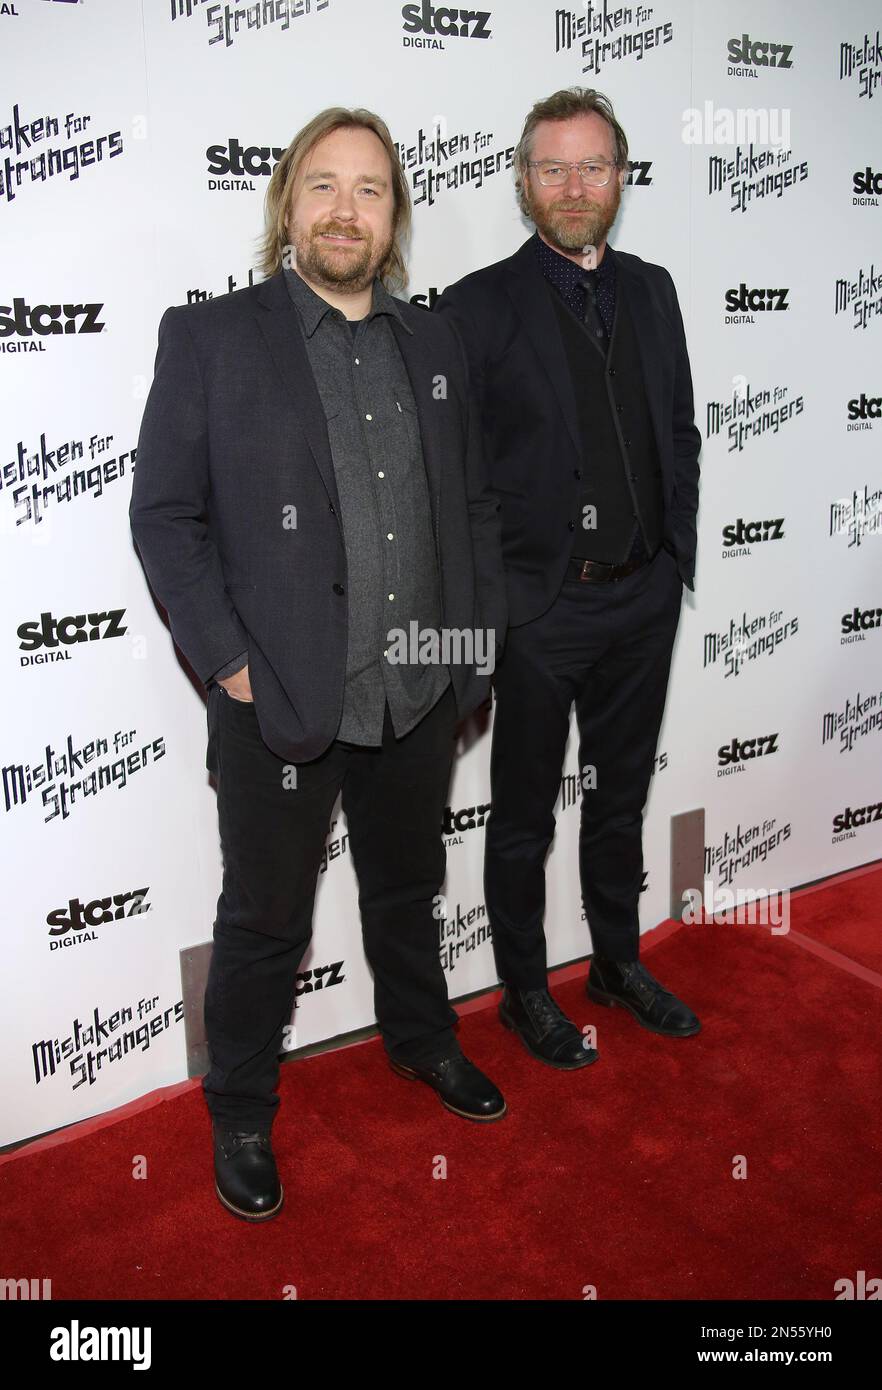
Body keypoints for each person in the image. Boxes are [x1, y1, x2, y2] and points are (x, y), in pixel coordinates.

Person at [129, 107, 508, 1223]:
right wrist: (232, 666)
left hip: (418, 687)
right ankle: (242, 1104)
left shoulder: (433, 343)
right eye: (325, 186)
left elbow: (473, 509)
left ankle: (421, 1040)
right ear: (287, 204)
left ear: (395, 216)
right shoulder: (212, 339)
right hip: (281, 698)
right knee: (265, 918)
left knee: (408, 887)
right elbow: (165, 516)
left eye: (372, 189)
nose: (347, 209)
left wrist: (469, 658)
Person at [434, 87, 702, 1072]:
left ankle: (619, 964)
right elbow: (452, 476)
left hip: (644, 597)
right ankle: (523, 993)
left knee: (621, 798)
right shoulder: (475, 308)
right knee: (520, 817)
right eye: (554, 168)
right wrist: (494, 604)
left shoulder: (658, 289)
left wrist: (676, 554)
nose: (574, 186)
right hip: (542, 610)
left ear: (622, 178)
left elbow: (679, 429)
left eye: (593, 166)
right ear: (522, 182)